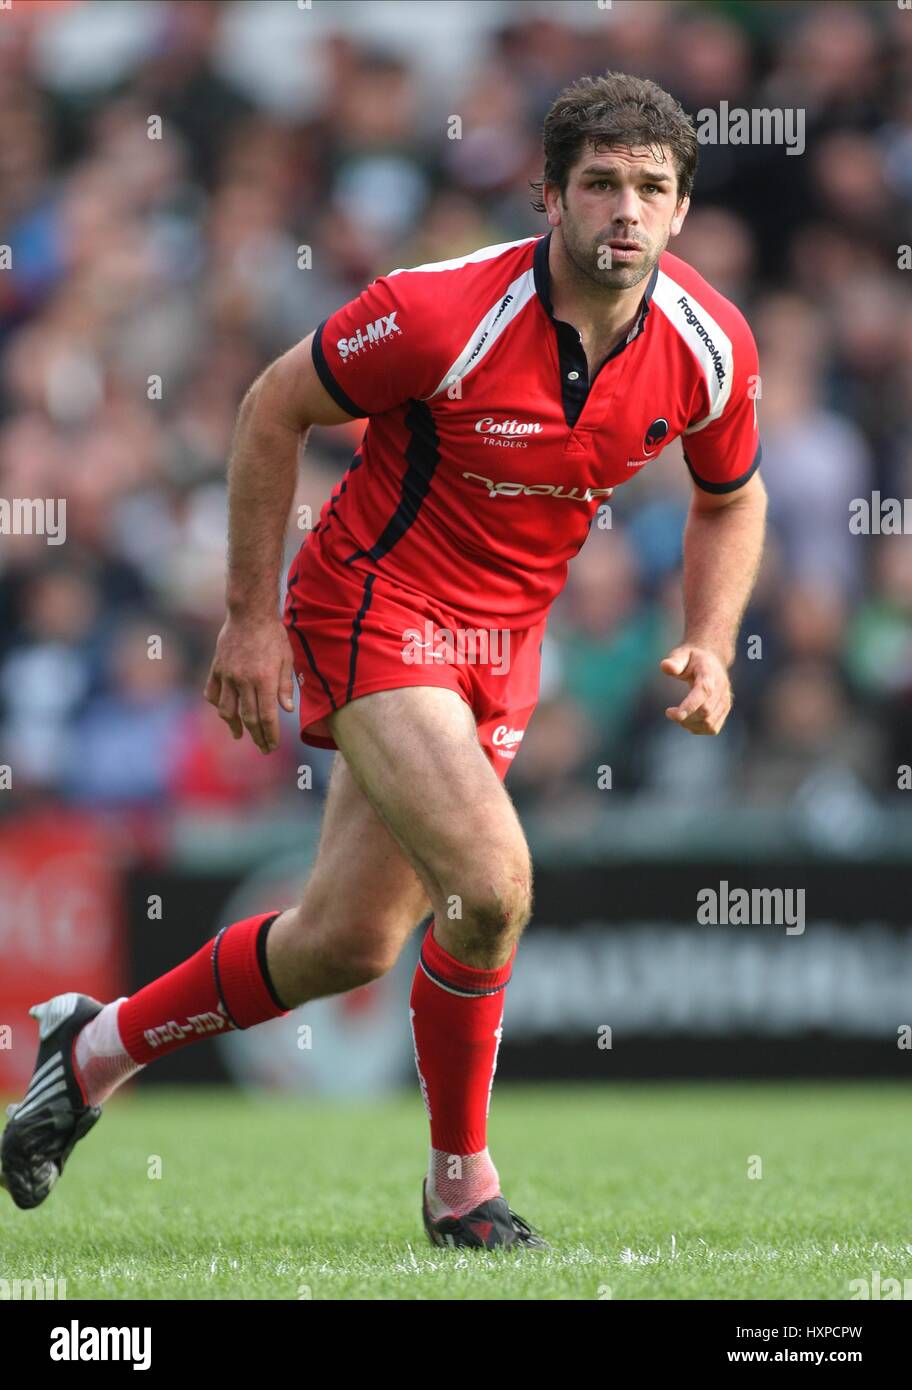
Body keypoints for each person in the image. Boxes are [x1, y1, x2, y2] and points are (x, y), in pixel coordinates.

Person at [2, 72, 767, 1250]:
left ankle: (90, 1049)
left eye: (651, 188)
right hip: (374, 601)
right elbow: (270, 407)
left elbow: (733, 494)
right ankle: (462, 1183)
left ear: (681, 208)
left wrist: (713, 643)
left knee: (343, 942)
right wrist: (249, 619)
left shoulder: (710, 347)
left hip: (504, 645)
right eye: (601, 183)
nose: (625, 209)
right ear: (548, 196)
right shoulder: (438, 312)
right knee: (496, 883)